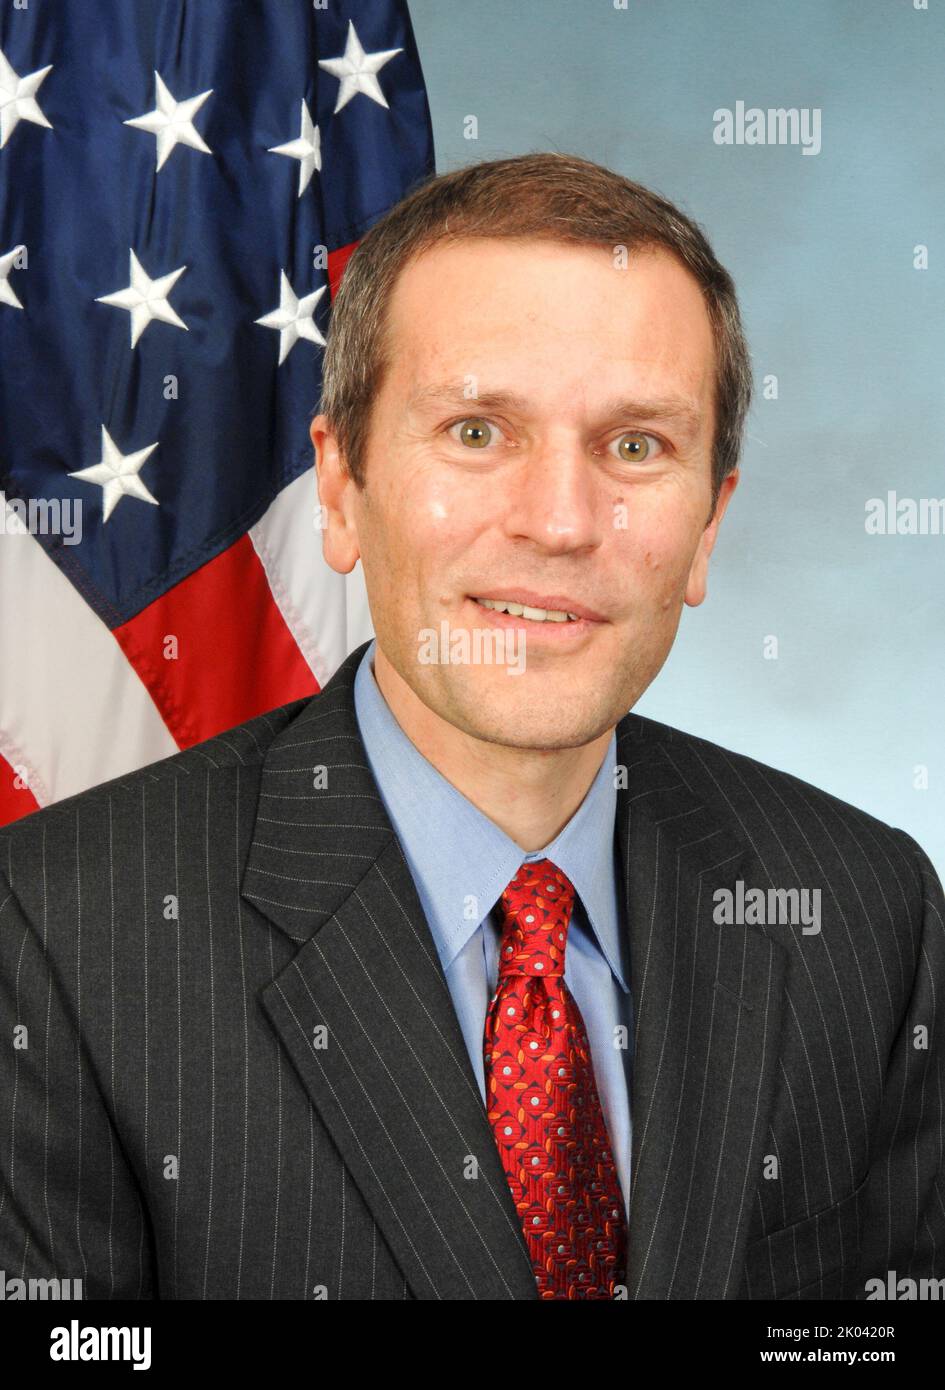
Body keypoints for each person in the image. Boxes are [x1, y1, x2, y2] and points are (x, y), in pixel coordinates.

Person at [1, 153, 942, 1301]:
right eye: (478, 430)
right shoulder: (59, 931)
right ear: (341, 489)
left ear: (707, 526)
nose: (558, 522)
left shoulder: (866, 910)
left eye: (635, 444)